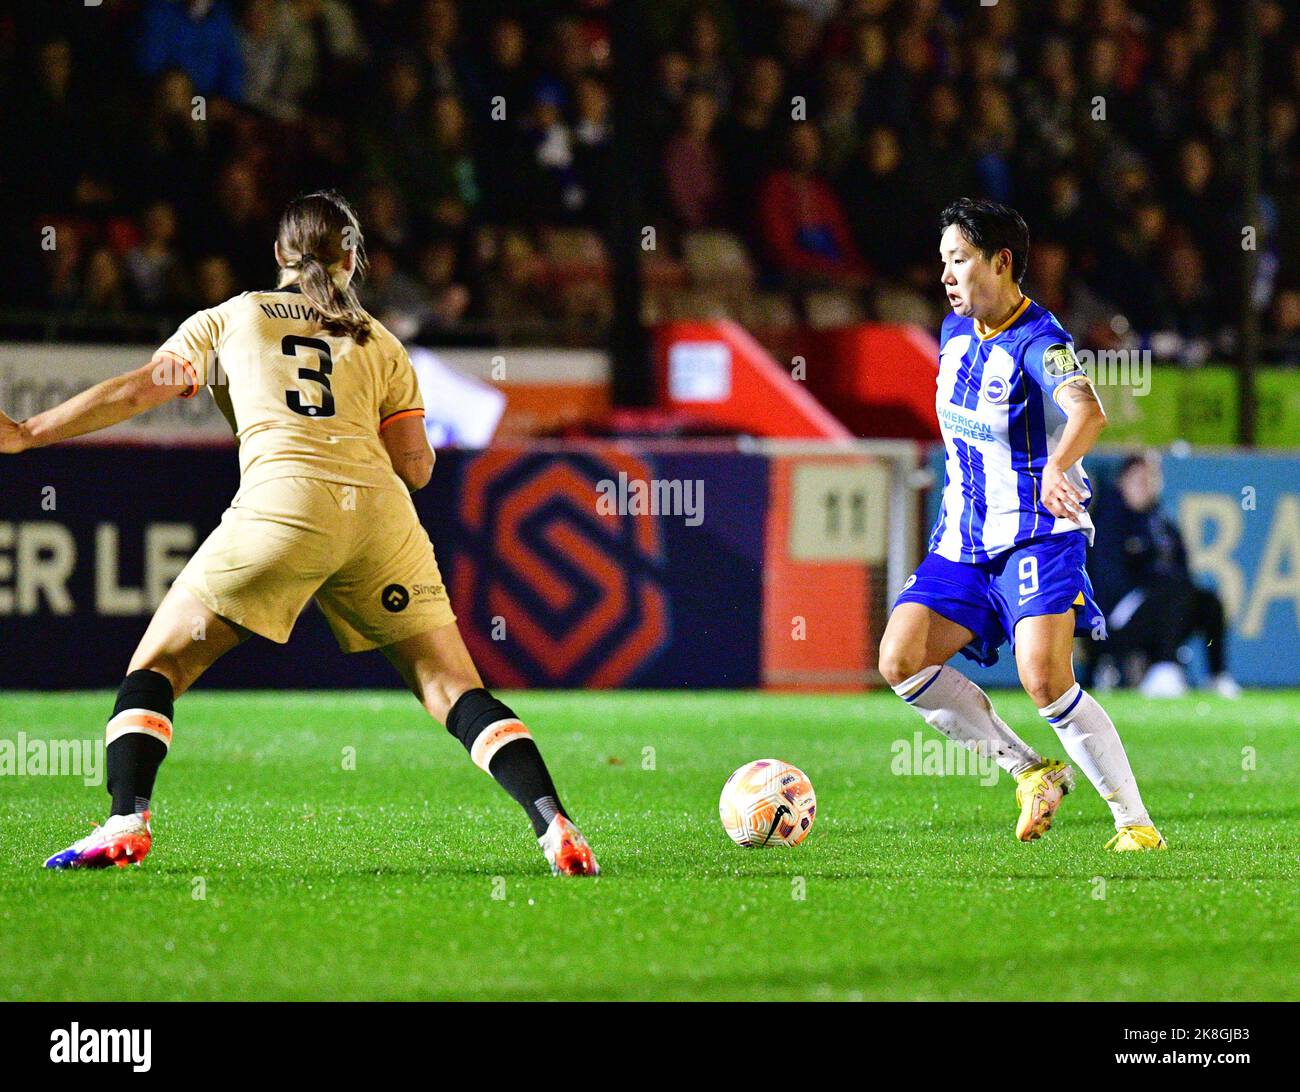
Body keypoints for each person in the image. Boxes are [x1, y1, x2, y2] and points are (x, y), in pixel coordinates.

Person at [0, 190, 598, 877]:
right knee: (452, 688)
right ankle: (555, 825)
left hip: (283, 505)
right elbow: (417, 469)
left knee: (158, 666)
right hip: (380, 516)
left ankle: (125, 821)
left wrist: (26, 434)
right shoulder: (380, 339)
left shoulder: (231, 317)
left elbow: (141, 390)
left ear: (281, 254)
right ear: (352, 259)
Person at [877, 198, 1166, 852]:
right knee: (899, 659)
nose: (946, 275)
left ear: (1001, 262)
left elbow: (1087, 411)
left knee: (1044, 677)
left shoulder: (1041, 340)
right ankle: (1032, 771)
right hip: (963, 540)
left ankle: (1135, 826)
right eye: (944, 261)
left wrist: (1059, 466)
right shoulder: (954, 332)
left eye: (959, 260)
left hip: (1037, 531)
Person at [1090, 451, 1241, 698]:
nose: (1146, 487)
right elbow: (1108, 580)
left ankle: (1218, 675)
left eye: (1151, 480)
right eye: (1139, 480)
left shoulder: (1161, 521)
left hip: (1164, 607)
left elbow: (1183, 570)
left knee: (1208, 601)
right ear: (1122, 482)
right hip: (1119, 615)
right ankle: (1164, 666)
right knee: (1170, 590)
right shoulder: (1109, 520)